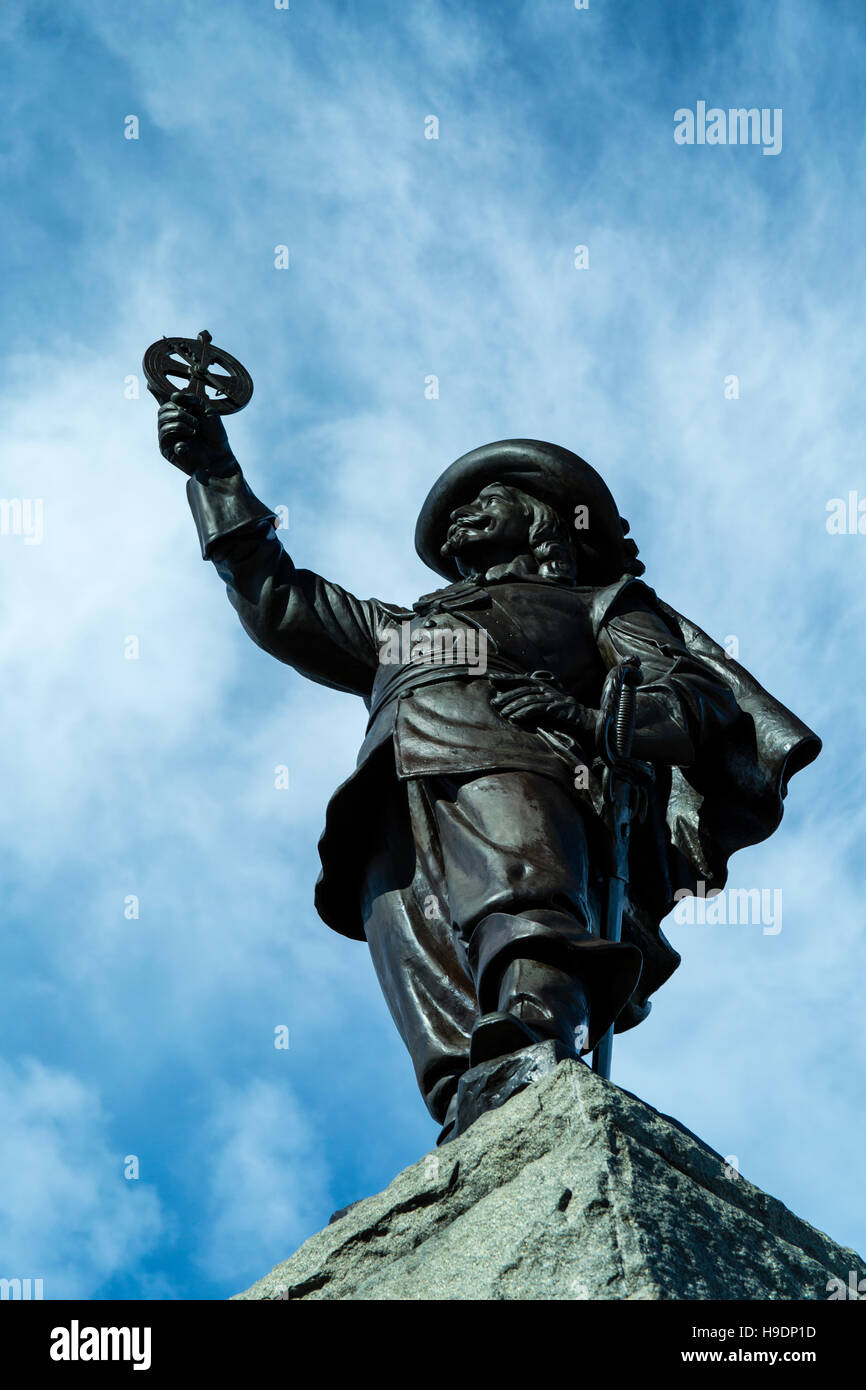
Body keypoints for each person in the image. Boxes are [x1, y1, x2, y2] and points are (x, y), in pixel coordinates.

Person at [157, 393, 821, 1141]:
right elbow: (280, 595)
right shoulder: (401, 630)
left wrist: (597, 721)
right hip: (393, 792)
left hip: (520, 759)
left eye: (487, 499)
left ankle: (537, 1045)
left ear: (541, 517)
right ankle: (469, 1107)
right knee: (421, 957)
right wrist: (214, 470)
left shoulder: (600, 604)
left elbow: (692, 697)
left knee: (524, 908)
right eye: (455, 511)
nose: (458, 516)